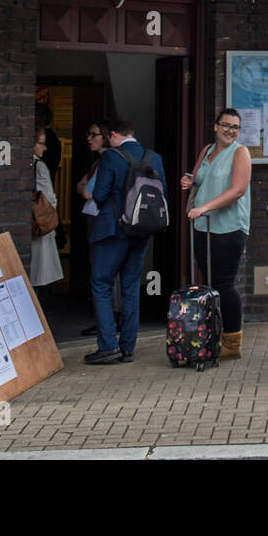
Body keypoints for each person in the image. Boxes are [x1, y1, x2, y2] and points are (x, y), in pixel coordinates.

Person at [85, 118, 165, 364]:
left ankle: (108, 346)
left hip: (112, 231)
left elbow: (98, 195)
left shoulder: (111, 157)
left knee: (101, 284)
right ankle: (128, 347)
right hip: (141, 232)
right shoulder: (154, 158)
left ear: (114, 135)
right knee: (131, 288)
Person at [180, 109, 253, 360]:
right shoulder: (207, 150)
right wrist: (189, 181)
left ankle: (232, 344)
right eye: (226, 125)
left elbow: (238, 190)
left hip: (229, 227)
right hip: (203, 226)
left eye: (235, 127)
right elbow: (197, 177)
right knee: (210, 284)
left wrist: (204, 207)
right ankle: (212, 335)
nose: (230, 130)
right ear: (215, 126)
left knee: (224, 284)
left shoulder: (240, 153)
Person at [78, 120, 114, 338]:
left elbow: (86, 192)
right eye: (88, 134)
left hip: (99, 218)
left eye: (94, 134)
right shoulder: (99, 161)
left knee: (101, 270)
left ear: (106, 136)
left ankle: (106, 321)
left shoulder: (106, 161)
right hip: (96, 217)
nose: (89, 138)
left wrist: (82, 185)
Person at [30, 128, 64, 293]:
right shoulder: (39, 166)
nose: (45, 148)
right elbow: (50, 199)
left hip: (29, 224)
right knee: (38, 275)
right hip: (40, 224)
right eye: (41, 143)